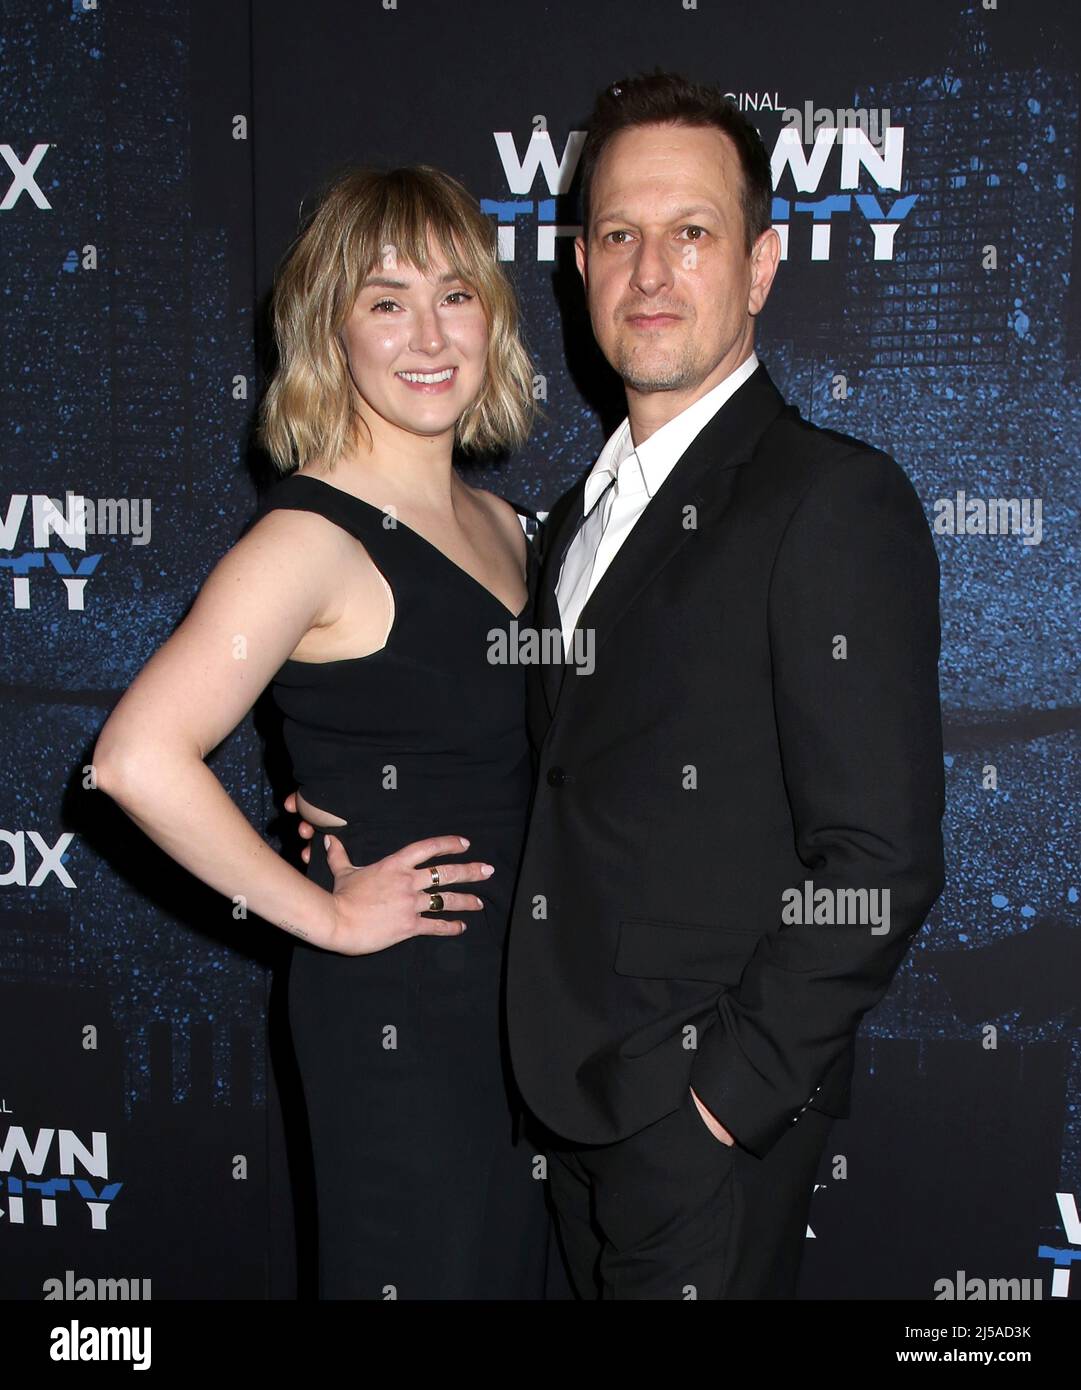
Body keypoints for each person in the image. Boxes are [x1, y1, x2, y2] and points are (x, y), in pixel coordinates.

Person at [502, 72, 946, 1299]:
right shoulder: (571, 524)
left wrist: (715, 1103)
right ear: (579, 262)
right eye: (619, 236)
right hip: (562, 1109)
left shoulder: (827, 501)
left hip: (694, 1136)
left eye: (690, 233)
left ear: (759, 266)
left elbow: (878, 861)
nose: (649, 272)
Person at [92, 164, 550, 1299]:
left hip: (531, 1010)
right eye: (385, 300)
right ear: (328, 331)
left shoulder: (507, 523)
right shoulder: (308, 536)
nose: (429, 332)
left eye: (455, 292)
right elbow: (136, 758)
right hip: (402, 1016)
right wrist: (329, 919)